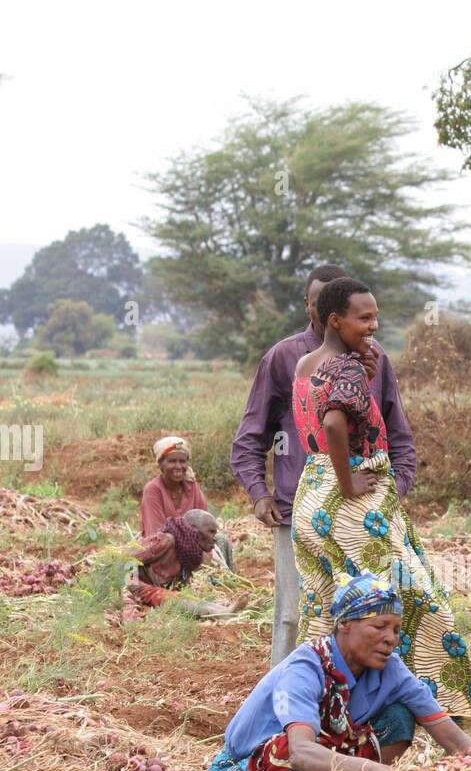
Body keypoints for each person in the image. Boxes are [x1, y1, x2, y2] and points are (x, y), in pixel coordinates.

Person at [291, 277, 471, 728]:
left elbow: (323, 423)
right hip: (350, 507)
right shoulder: (344, 366)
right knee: (411, 602)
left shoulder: (306, 362)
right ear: (335, 320)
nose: (374, 325)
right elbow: (337, 425)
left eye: (376, 316)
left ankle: (329, 716)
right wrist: (349, 483)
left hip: (311, 496)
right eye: (364, 318)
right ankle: (441, 715)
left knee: (329, 609)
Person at [231, 265, 417, 668]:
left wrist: (393, 489)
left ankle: (351, 713)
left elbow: (396, 431)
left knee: (366, 614)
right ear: (315, 308)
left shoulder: (374, 359)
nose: (371, 327)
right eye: (317, 304)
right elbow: (251, 436)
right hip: (298, 509)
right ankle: (288, 707)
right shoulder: (285, 357)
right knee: (297, 615)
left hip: (362, 513)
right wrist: (259, 494)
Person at [208, 571, 471, 771]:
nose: (391, 639)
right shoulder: (307, 666)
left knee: (398, 716)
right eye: (379, 626)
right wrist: (369, 768)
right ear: (344, 624)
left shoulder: (391, 669)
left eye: (396, 630)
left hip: (327, 766)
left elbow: (454, 739)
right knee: (284, 754)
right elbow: (300, 752)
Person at [129, 509, 247, 617]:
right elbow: (125, 559)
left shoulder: (188, 556)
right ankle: (223, 612)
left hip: (157, 593)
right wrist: (134, 585)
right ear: (193, 530)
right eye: (211, 532)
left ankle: (226, 610)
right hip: (138, 587)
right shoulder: (165, 540)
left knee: (186, 599)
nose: (215, 538)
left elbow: (180, 589)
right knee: (175, 600)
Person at [141, 436, 234, 570]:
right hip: (164, 551)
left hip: (196, 548)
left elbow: (207, 525)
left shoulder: (192, 486)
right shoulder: (153, 490)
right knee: (168, 542)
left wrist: (203, 549)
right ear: (160, 464)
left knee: (221, 540)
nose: (178, 466)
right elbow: (156, 536)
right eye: (172, 461)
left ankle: (224, 582)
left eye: (182, 461)